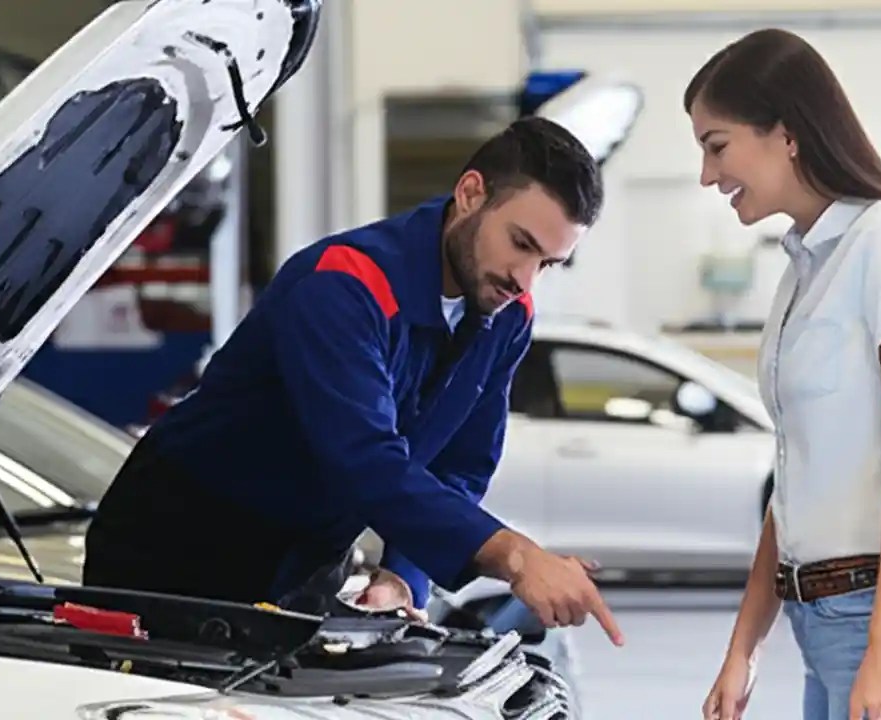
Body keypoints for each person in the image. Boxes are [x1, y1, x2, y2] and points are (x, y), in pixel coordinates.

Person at [82, 115, 624, 646]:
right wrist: (516, 557)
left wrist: (403, 577)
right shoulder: (343, 285)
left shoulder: (508, 314)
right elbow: (364, 458)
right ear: (470, 193)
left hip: (307, 560)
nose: (525, 279)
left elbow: (458, 465)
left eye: (548, 263)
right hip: (177, 549)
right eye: (521, 244)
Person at [686, 29, 881, 720]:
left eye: (716, 145)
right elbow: (794, 487)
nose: (707, 174)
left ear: (785, 133)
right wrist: (743, 648)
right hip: (820, 628)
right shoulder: (801, 274)